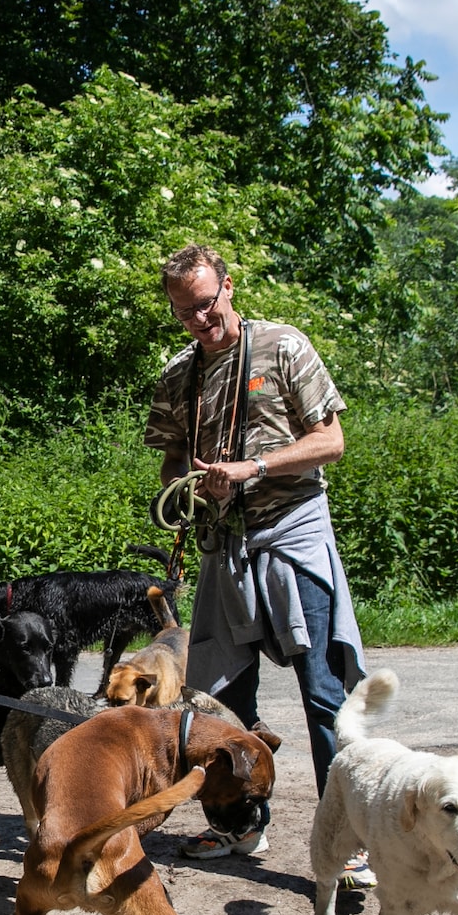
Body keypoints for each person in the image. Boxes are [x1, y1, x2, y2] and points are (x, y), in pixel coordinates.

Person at [144, 244, 369, 871]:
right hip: (225, 544)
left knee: (324, 693)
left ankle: (346, 844)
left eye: (207, 306)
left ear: (229, 287)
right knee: (219, 698)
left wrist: (254, 468)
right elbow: (167, 458)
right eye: (184, 313)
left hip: (292, 531)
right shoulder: (177, 373)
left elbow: (332, 441)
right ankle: (241, 826)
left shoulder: (284, 348)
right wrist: (187, 484)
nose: (199, 322)